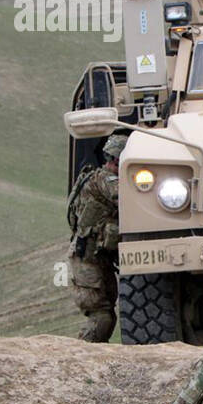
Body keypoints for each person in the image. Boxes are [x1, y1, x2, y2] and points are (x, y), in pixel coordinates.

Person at [68, 133, 124, 342]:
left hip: (94, 256)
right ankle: (82, 357)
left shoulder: (93, 177)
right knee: (102, 316)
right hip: (86, 258)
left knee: (107, 313)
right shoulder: (105, 180)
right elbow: (125, 195)